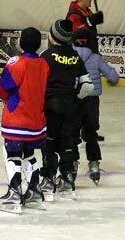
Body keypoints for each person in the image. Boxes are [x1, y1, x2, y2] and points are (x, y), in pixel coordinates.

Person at [0, 27, 50, 213]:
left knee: (12, 155)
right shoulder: (43, 64)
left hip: (17, 120)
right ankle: (34, 192)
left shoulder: (16, 63)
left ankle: (14, 193)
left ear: (21, 42)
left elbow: (2, 90)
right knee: (29, 154)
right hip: (36, 121)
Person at [39, 19, 91, 200]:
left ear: (52, 36)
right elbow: (87, 86)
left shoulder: (46, 55)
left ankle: (48, 180)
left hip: (50, 107)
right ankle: (67, 181)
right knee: (67, 142)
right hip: (70, 107)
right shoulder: (75, 56)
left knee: (49, 143)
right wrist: (75, 99)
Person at [71, 27, 120, 184]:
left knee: (72, 134)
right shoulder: (96, 58)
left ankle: (72, 163)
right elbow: (113, 76)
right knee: (91, 133)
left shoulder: (70, 57)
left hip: (75, 99)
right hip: (92, 101)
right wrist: (111, 80)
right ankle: (94, 164)